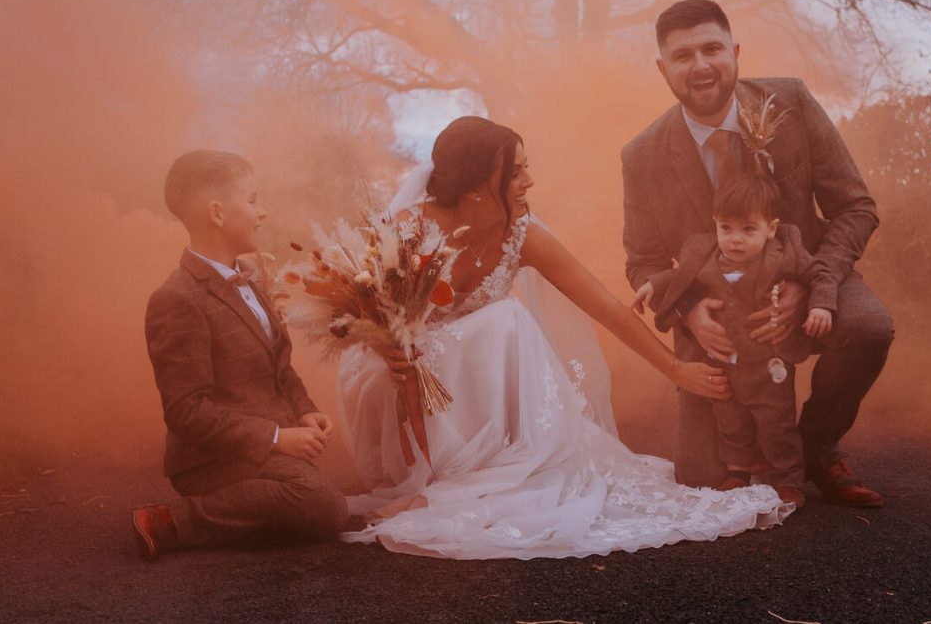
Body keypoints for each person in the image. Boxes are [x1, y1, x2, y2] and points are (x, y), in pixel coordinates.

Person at [337, 116, 792, 560]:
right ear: (477, 184)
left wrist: (675, 368)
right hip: (410, 389)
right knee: (505, 319)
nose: (529, 181)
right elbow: (356, 312)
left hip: (483, 395)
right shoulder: (410, 229)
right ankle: (430, 483)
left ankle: (477, 480)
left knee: (505, 320)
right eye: (515, 172)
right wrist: (386, 346)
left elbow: (605, 306)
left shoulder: (521, 234)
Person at [622, 0, 893, 507]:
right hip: (719, 326)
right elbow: (644, 261)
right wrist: (687, 309)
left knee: (869, 326)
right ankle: (758, 450)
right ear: (663, 69)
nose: (700, 65)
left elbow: (856, 207)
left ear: (735, 52)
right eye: (683, 56)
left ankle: (813, 447)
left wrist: (811, 284)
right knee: (702, 481)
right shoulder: (641, 155)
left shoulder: (791, 101)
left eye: (711, 48)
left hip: (811, 278)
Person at [133, 150, 347, 560]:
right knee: (324, 505)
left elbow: (280, 365)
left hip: (262, 445)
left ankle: (266, 505)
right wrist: (277, 439)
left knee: (319, 494)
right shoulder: (177, 298)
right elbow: (186, 411)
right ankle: (171, 521)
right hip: (211, 460)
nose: (262, 212)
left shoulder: (250, 278)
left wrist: (304, 410)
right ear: (216, 213)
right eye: (251, 200)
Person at [634, 172, 838, 508]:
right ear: (715, 224)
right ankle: (739, 471)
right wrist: (653, 285)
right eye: (726, 228)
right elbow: (679, 275)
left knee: (777, 425)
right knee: (730, 421)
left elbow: (820, 273)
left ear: (770, 229)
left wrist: (821, 306)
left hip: (768, 365)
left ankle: (788, 480)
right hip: (724, 361)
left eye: (748, 230)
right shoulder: (705, 255)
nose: (735, 239)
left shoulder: (784, 253)